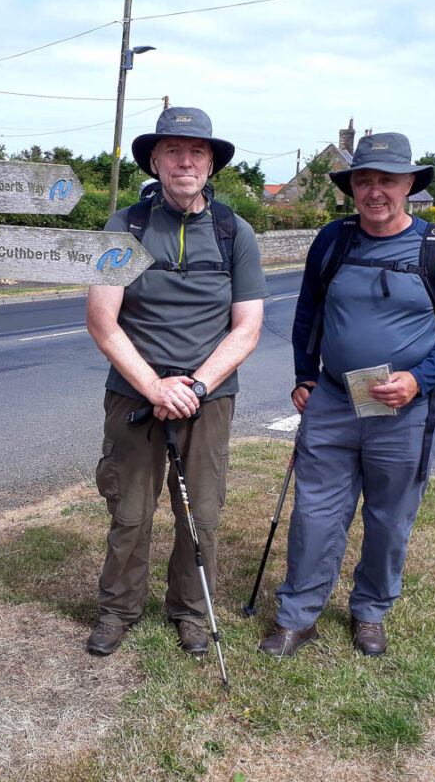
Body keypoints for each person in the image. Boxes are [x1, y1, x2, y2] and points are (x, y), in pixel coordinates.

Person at [259, 132, 435, 659]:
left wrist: (419, 380)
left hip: (402, 407)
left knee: (389, 517)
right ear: (351, 187)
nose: (375, 190)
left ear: (408, 184)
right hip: (334, 401)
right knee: (314, 513)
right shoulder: (333, 240)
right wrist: (304, 377)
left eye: (387, 179)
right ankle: (297, 617)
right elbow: (308, 314)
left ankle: (370, 612)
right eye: (364, 179)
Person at [85, 107, 267, 658]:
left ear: (211, 163)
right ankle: (118, 609)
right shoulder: (126, 226)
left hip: (208, 397)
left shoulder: (236, 231)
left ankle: (189, 610)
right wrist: (155, 387)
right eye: (172, 151)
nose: (185, 161)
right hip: (135, 392)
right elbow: (102, 319)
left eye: (196, 152)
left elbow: (248, 326)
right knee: (131, 510)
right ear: (156, 161)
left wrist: (197, 387)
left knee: (201, 512)